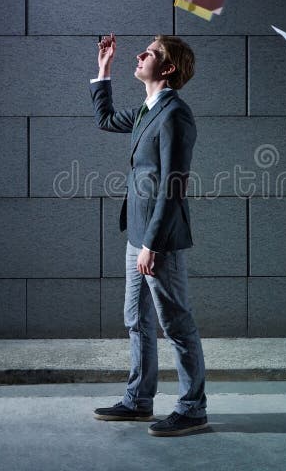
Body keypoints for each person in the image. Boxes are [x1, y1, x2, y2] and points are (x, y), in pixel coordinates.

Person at [89, 33, 208, 437]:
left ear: (168, 68)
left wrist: (153, 244)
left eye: (151, 53)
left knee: (176, 323)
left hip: (159, 240)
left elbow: (173, 185)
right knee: (136, 320)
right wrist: (103, 71)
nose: (140, 55)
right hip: (137, 235)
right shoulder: (147, 110)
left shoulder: (175, 114)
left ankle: (193, 407)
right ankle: (139, 400)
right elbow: (105, 120)